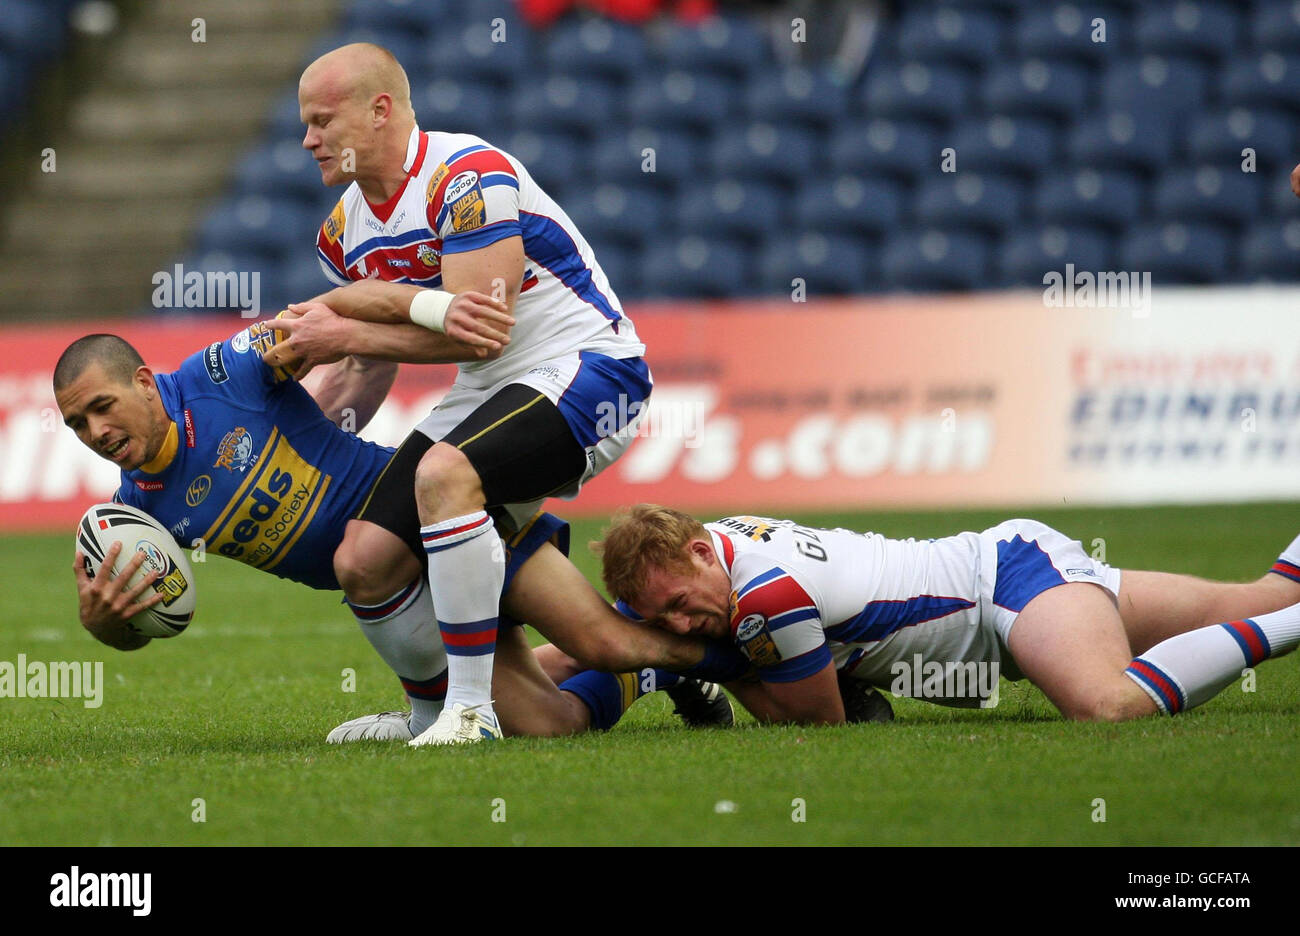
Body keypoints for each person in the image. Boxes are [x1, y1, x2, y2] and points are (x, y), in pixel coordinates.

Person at [54, 327, 741, 742]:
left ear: (145, 382)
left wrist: (404, 312)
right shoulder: (132, 517)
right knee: (549, 726)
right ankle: (650, 675)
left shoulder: (225, 370)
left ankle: (752, 656)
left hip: (440, 517)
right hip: (402, 598)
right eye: (77, 425)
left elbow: (343, 337)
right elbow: (135, 625)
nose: (96, 434)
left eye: (102, 407)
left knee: (599, 640)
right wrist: (103, 625)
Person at [293, 42, 654, 744]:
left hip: (587, 368)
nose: (308, 140)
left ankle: (469, 713)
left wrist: (344, 330)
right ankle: (442, 713)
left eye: (321, 121)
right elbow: (367, 367)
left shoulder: (466, 175)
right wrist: (298, 430)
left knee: (444, 474)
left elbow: (482, 330)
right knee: (363, 560)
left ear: (379, 111)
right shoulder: (340, 234)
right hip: (490, 391)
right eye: (304, 125)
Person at [596, 505, 1300, 723]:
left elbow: (820, 725)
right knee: (1267, 591)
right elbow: (594, 641)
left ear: (697, 554)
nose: (679, 625)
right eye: (662, 620)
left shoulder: (768, 595)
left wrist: (689, 665)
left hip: (1006, 582)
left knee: (1106, 705)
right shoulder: (703, 553)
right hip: (996, 571)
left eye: (683, 609)